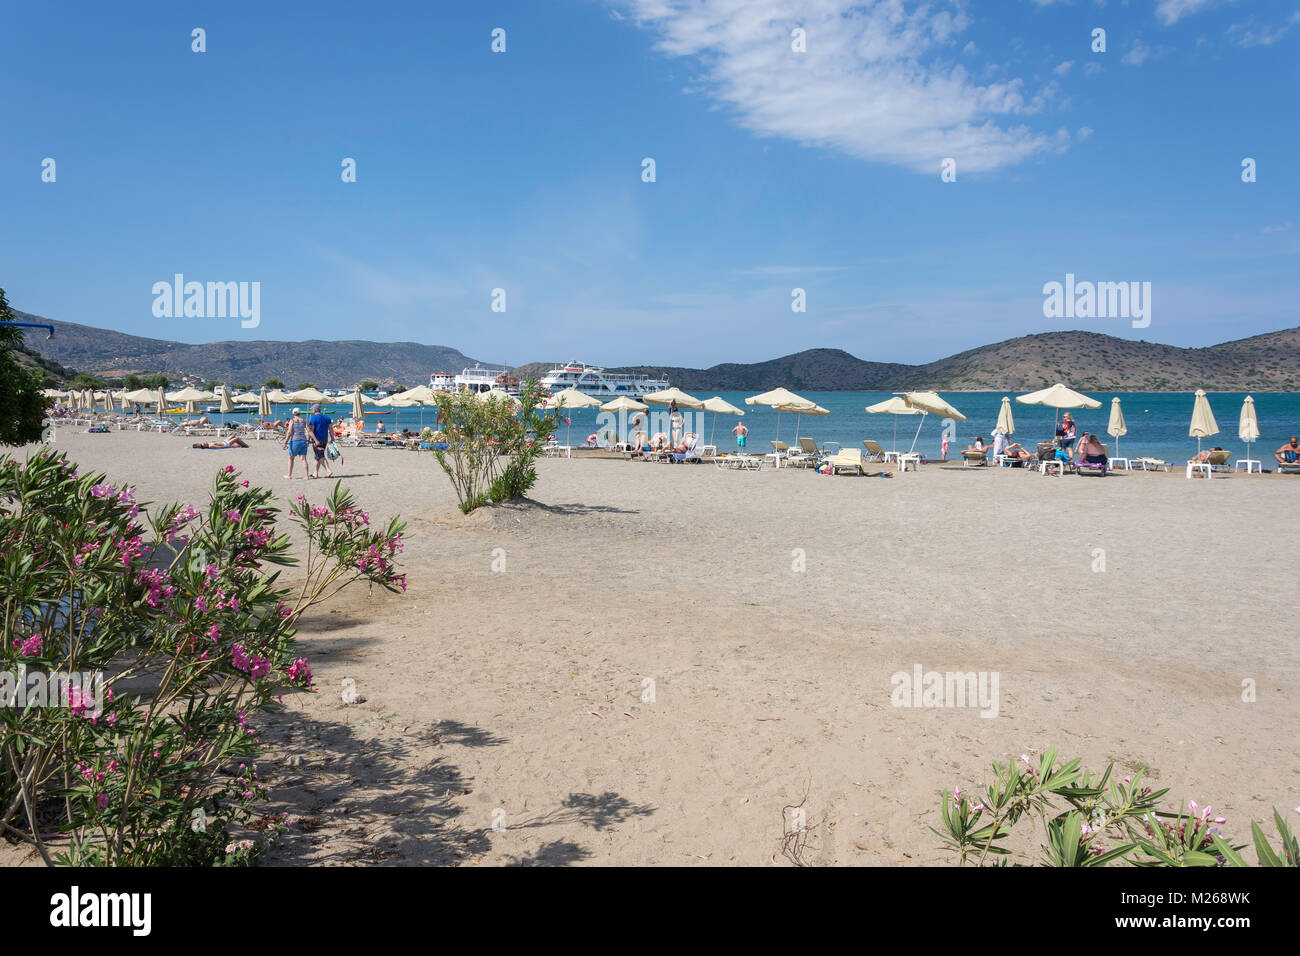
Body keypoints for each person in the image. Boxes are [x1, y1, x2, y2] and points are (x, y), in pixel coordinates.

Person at [308, 403, 334, 478]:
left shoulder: (313, 418)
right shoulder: (327, 417)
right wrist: (332, 438)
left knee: (320, 455)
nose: (312, 410)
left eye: (312, 409)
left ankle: (328, 470)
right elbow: (331, 429)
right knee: (317, 456)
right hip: (324, 439)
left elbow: (311, 430)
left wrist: (308, 439)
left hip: (317, 440)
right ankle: (315, 473)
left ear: (314, 410)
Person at [283, 408, 310, 479]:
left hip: (295, 441)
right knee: (303, 459)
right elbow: (308, 431)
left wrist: (285, 442)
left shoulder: (292, 421)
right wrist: (307, 440)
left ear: (293, 414)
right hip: (303, 440)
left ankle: (289, 475)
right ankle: (306, 476)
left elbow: (289, 432)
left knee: (291, 458)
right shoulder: (304, 421)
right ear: (300, 413)